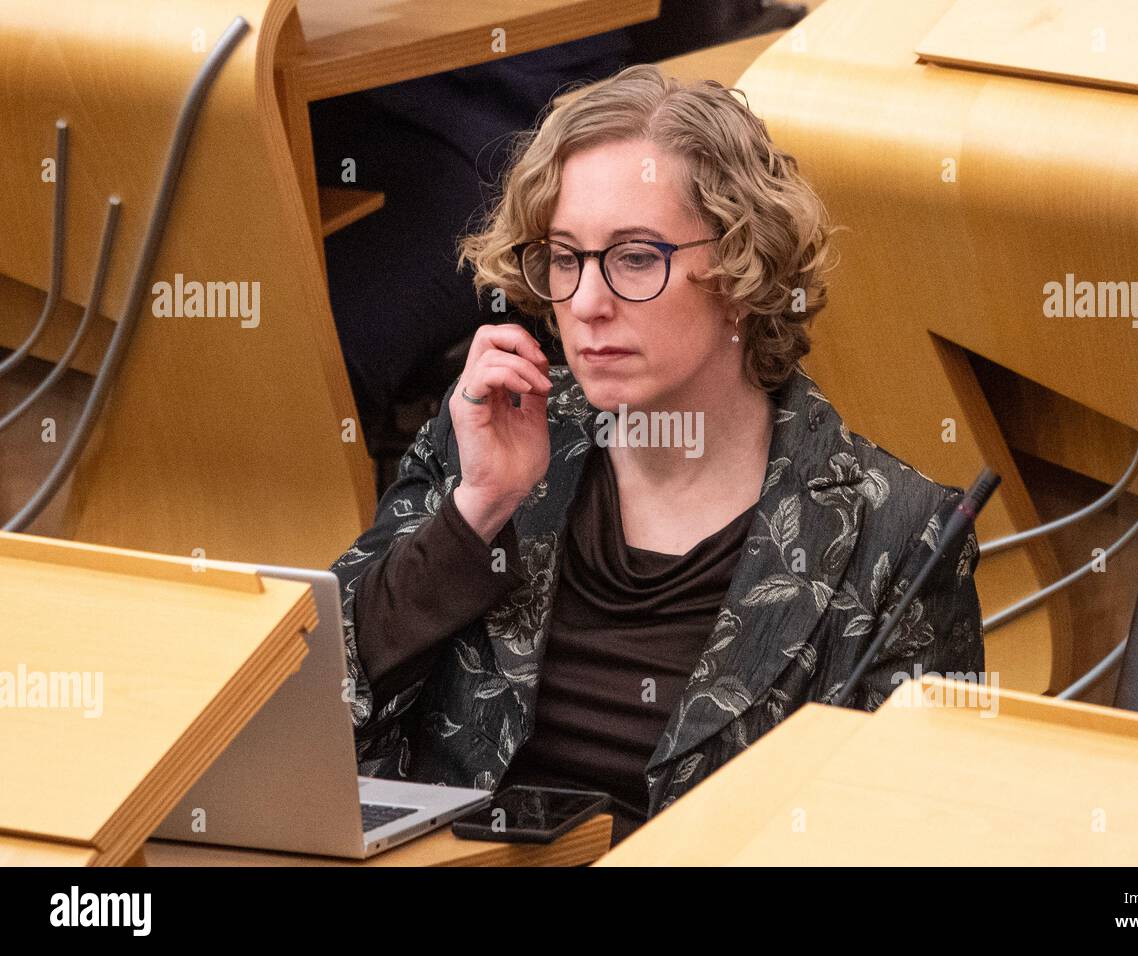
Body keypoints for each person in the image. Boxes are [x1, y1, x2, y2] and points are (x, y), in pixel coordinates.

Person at [329, 64, 984, 846]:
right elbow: (321, 709)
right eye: (565, 258)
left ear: (742, 268)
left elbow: (917, 839)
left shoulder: (900, 534)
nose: (585, 302)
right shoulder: (489, 433)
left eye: (636, 257)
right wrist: (475, 514)